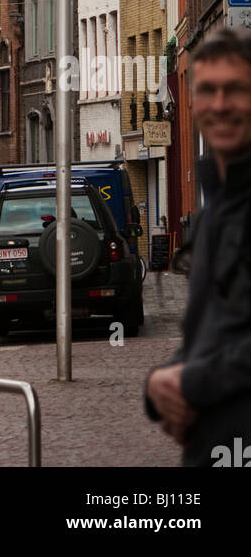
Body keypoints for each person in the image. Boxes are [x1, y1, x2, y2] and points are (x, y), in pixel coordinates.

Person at [145, 26, 251, 466]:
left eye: (236, 90)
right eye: (207, 90)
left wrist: (188, 384)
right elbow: (205, 336)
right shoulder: (214, 209)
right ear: (190, 102)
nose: (220, 105)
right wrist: (157, 385)